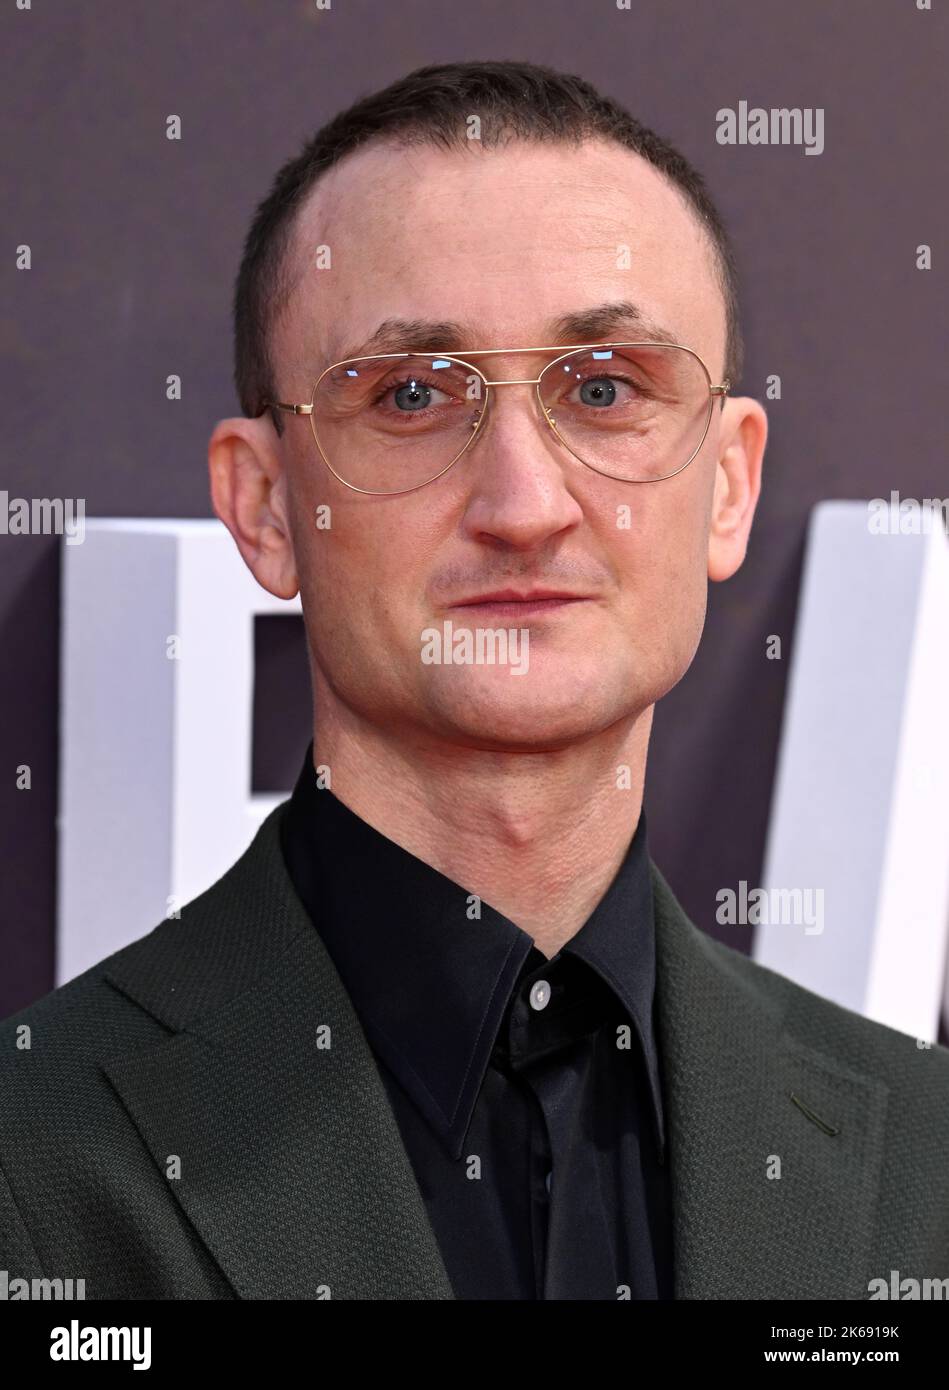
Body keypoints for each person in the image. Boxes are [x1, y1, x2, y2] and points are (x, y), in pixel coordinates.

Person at [2, 60, 947, 1302]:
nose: (524, 504)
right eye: (411, 395)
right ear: (266, 502)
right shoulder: (34, 1163)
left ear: (727, 484)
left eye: (604, 388)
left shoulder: (922, 1167)